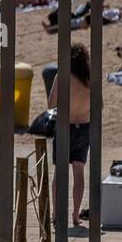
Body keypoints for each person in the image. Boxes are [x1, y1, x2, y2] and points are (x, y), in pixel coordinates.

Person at [47, 43, 91, 228]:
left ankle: (57, 213)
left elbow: (50, 104)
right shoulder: (90, 78)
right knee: (79, 173)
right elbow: (100, 105)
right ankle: (75, 214)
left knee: (60, 172)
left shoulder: (62, 77)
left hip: (65, 127)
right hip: (84, 127)